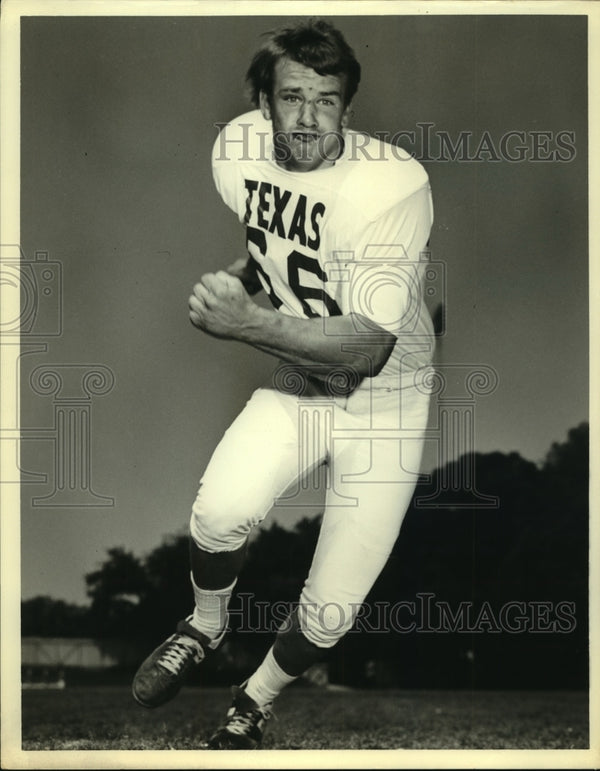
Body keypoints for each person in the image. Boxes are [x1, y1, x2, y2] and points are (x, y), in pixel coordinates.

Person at [132, 18, 435, 750]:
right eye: (291, 97)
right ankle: (204, 623)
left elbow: (363, 350)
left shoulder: (393, 186)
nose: (307, 119)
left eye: (326, 101)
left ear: (348, 109)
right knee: (218, 512)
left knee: (331, 611)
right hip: (305, 375)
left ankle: (255, 697)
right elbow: (277, 241)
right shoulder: (235, 150)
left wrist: (247, 323)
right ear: (261, 101)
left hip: (385, 395)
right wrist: (248, 281)